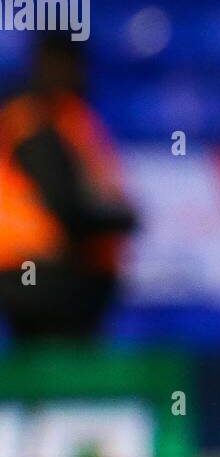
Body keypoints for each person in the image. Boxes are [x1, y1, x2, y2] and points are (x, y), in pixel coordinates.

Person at [0, 32, 137, 341]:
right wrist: (123, 220)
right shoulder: (33, 119)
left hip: (38, 270)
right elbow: (65, 204)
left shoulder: (63, 117)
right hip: (37, 270)